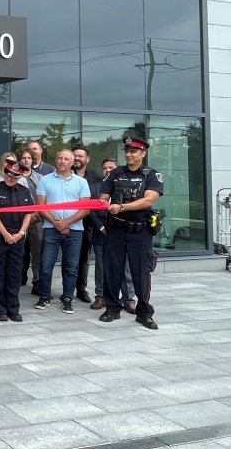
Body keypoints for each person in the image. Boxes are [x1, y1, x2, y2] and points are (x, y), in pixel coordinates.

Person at [98, 137, 164, 330]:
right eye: (126, 151)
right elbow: (103, 197)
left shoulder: (152, 175)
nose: (128, 154)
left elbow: (148, 200)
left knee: (141, 272)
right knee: (112, 270)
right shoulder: (115, 174)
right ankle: (112, 308)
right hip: (115, 229)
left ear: (143, 153)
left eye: (133, 151)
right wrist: (104, 204)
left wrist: (122, 207)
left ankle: (144, 313)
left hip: (140, 231)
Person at [34, 150, 91, 314]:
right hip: (51, 229)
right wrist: (57, 223)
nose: (62, 161)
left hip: (75, 231)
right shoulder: (45, 180)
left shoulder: (81, 182)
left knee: (71, 267)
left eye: (66, 159)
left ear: (72, 162)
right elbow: (40, 206)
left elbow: (85, 209)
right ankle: (44, 296)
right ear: (56, 160)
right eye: (60, 158)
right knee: (46, 264)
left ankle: (67, 299)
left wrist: (66, 222)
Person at [0, 159, 34, 322]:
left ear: (20, 177)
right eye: (8, 175)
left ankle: (13, 308)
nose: (10, 178)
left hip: (18, 237)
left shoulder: (24, 191)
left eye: (14, 176)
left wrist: (21, 232)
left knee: (15, 273)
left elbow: (28, 213)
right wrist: (5, 234)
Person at [90, 158, 136, 312]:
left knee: (125, 267)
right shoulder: (94, 188)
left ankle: (128, 299)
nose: (108, 170)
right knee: (101, 267)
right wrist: (101, 226)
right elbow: (91, 211)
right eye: (105, 168)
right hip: (101, 233)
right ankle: (100, 297)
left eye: (111, 167)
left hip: (122, 232)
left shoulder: (127, 186)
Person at [72, 146, 104, 304]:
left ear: (87, 159)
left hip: (88, 223)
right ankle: (67, 289)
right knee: (70, 258)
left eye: (80, 156)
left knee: (84, 258)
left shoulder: (97, 178)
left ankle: (81, 289)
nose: (77, 158)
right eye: (75, 155)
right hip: (68, 222)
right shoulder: (65, 174)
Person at [17, 148, 45, 295]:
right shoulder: (14, 176)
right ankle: (16, 280)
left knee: (38, 252)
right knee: (19, 251)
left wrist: (35, 213)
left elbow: (44, 198)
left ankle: (37, 282)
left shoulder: (40, 178)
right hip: (19, 219)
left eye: (29, 158)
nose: (26, 160)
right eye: (23, 158)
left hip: (36, 218)